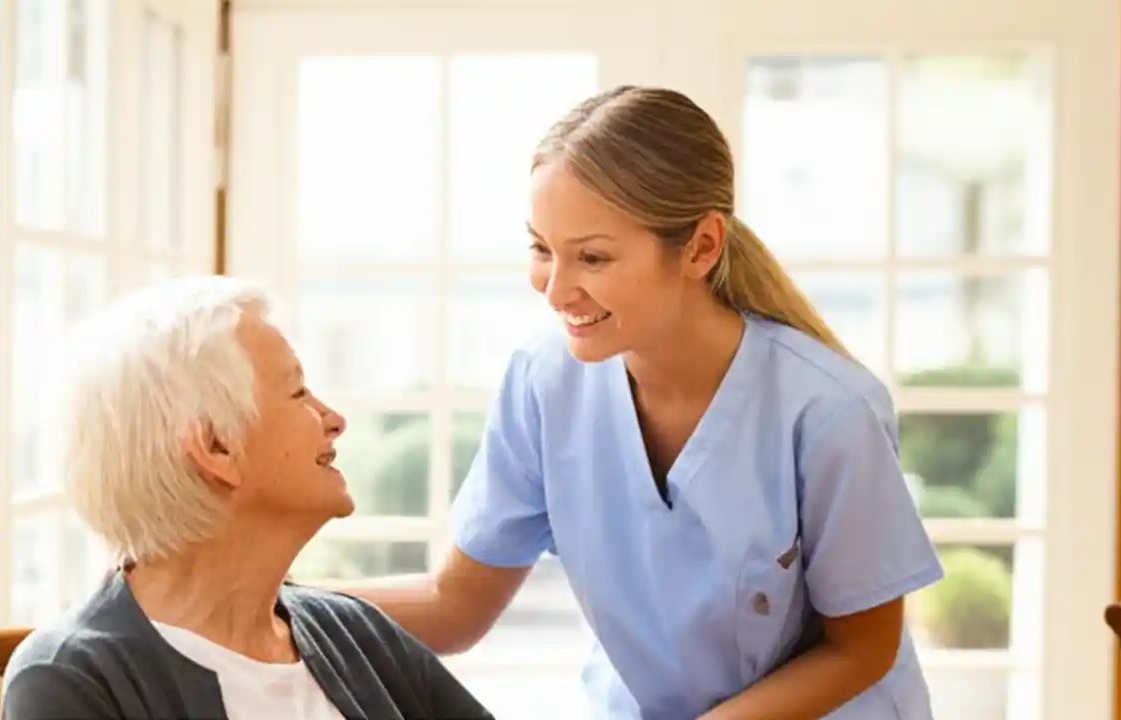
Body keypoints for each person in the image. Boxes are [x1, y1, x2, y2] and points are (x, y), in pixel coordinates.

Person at [338, 85, 944, 719]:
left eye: (593, 257)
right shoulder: (544, 385)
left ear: (701, 247)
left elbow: (862, 650)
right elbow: (454, 605)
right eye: (542, 250)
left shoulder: (827, 411)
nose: (555, 291)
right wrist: (264, 595)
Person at [0, 277, 492, 720]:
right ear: (216, 447)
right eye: (299, 393)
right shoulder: (70, 681)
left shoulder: (355, 632)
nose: (334, 418)